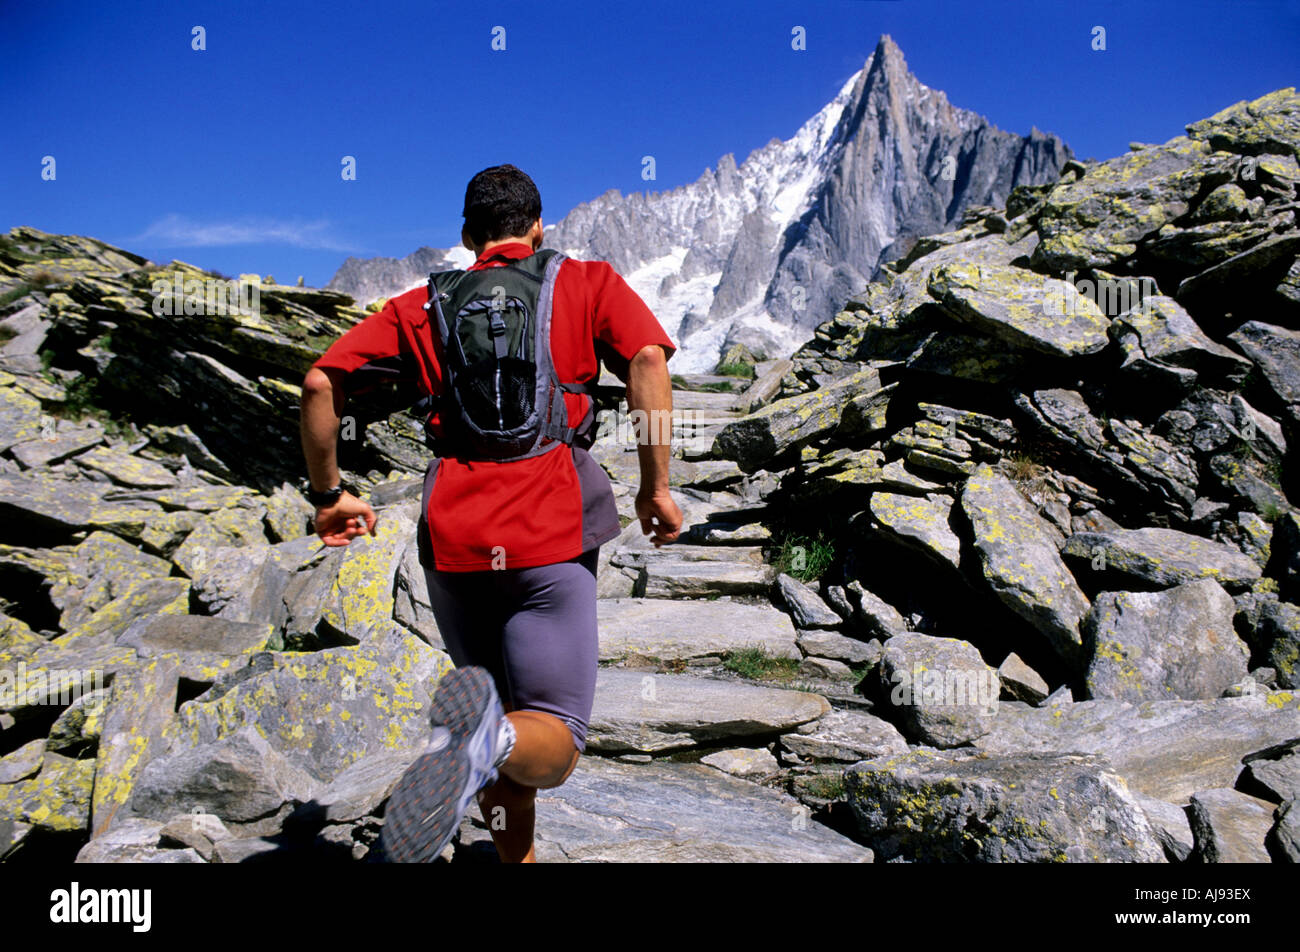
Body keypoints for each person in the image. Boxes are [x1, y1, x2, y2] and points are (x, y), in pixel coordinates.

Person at [299, 164, 683, 863]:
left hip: (455, 544)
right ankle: (494, 742)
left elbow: (320, 381)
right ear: (538, 230)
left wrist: (330, 495)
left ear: (468, 238)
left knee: (490, 709)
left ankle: (511, 839)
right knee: (552, 736)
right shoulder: (587, 282)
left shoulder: (419, 306)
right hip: (551, 533)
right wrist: (655, 488)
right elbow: (649, 361)